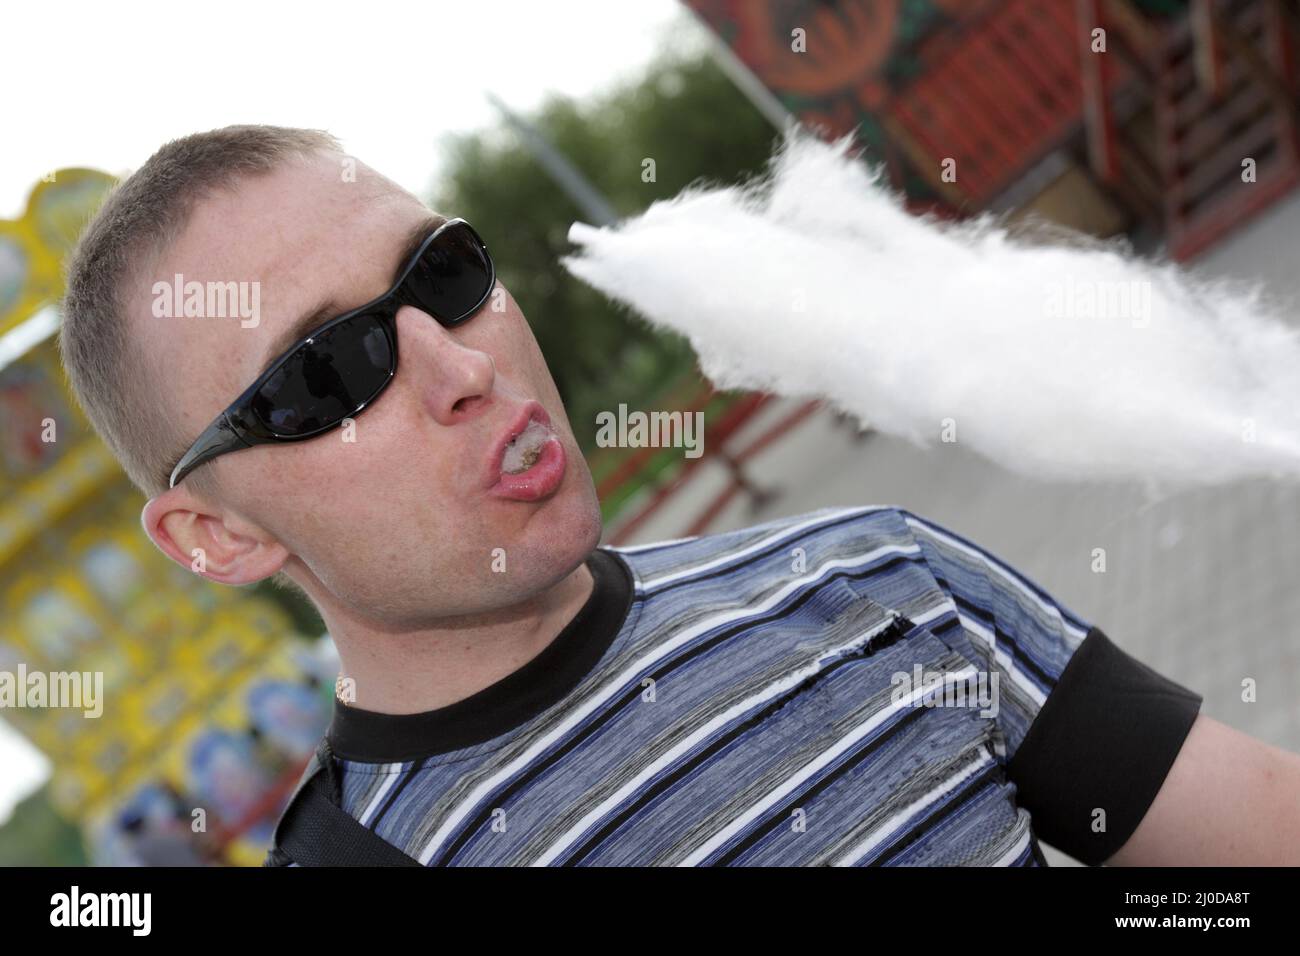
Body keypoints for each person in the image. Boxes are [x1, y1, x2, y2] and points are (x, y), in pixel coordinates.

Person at [60, 125, 1300, 866]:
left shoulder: (872, 577)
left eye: (446, 274)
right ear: (214, 533)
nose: (463, 362)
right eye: (330, 367)